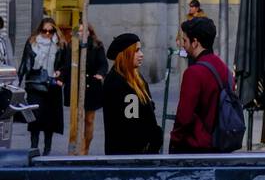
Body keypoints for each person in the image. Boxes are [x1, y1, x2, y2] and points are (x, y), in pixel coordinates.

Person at [169, 16, 236, 153]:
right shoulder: (224, 68)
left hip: (196, 148)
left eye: (185, 40)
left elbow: (184, 116)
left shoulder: (193, 73)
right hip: (222, 145)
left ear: (195, 42)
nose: (183, 45)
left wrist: (175, 140)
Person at [102, 33, 163, 155]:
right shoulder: (117, 83)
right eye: (136, 51)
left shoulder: (136, 77)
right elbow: (132, 125)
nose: (141, 54)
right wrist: (154, 139)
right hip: (131, 156)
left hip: (140, 153)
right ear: (125, 54)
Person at [18, 16, 68, 155]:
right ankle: (34, 146)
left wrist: (61, 74)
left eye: (50, 31)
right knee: (35, 117)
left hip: (52, 86)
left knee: (49, 120)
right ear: (39, 30)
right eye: (44, 30)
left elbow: (66, 64)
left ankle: (47, 149)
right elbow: (24, 63)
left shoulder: (61, 44)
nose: (47, 34)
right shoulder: (32, 42)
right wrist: (18, 82)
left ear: (54, 31)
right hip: (34, 84)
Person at [65, 22, 108, 155]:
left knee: (89, 120)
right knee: (75, 119)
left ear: (90, 32)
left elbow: (103, 64)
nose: (82, 33)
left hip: (91, 86)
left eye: (85, 31)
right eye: (79, 31)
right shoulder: (71, 45)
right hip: (74, 86)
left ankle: (85, 147)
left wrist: (100, 74)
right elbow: (65, 64)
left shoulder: (97, 45)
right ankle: (72, 148)